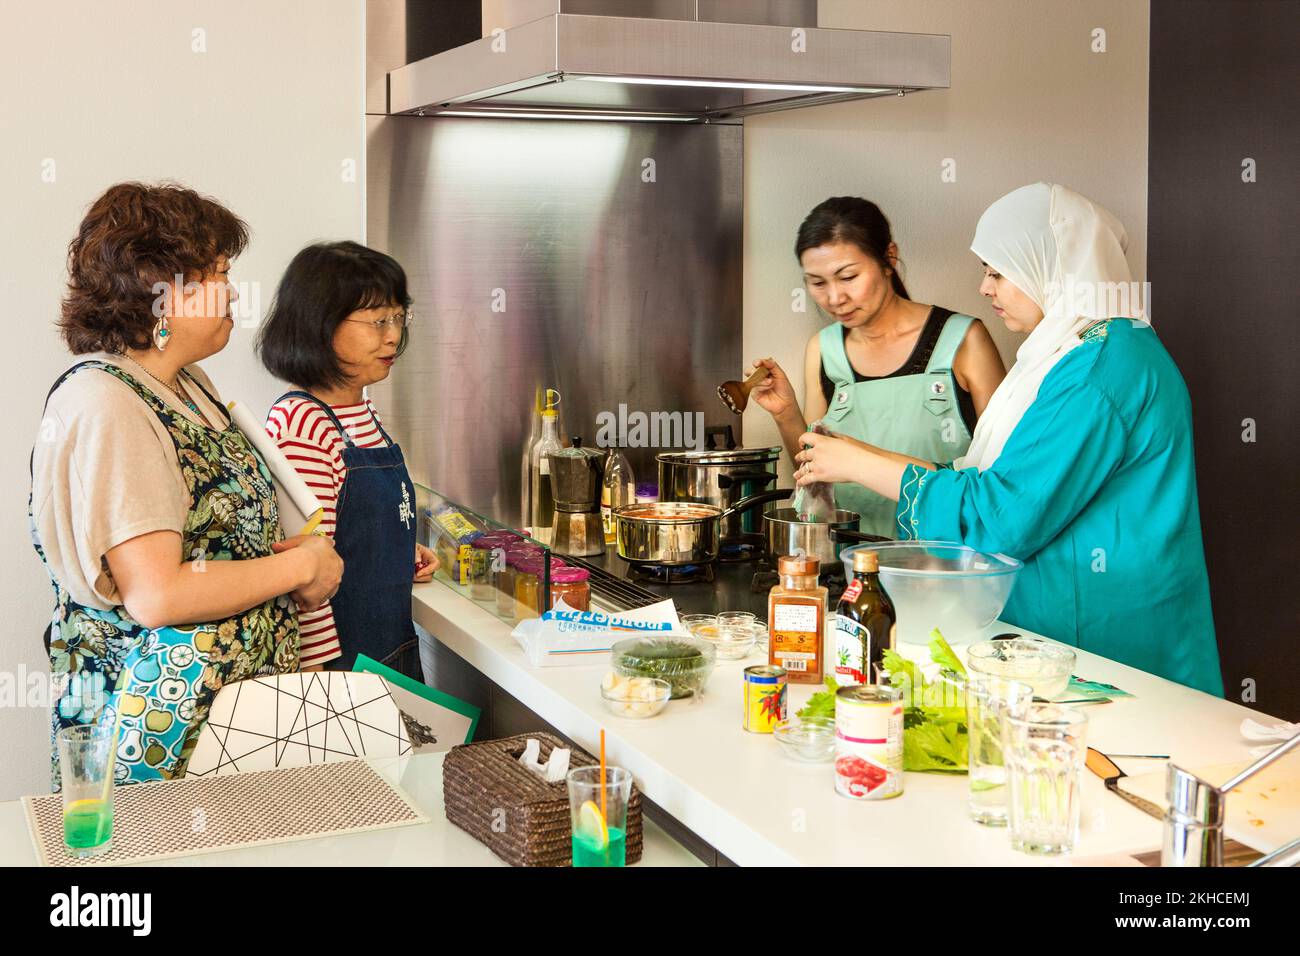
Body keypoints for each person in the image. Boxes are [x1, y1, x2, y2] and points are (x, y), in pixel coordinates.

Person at [793, 183, 1223, 695]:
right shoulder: (1077, 353)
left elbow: (1001, 516)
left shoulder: (1099, 370)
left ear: (1050, 266)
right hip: (1070, 631)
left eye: (998, 272)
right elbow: (993, 478)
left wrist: (862, 465)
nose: (985, 288)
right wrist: (855, 456)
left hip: (1111, 643)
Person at [31, 182, 343, 787]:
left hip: (227, 720)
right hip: (156, 729)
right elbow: (158, 594)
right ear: (160, 293)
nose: (233, 291)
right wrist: (302, 569)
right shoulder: (106, 402)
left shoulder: (189, 382)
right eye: (218, 274)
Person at [748, 197, 1005, 536]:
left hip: (943, 561)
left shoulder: (962, 340)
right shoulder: (824, 350)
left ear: (889, 258)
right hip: (847, 559)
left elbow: (1003, 473)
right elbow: (815, 470)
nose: (835, 297)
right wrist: (785, 414)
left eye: (848, 276)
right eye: (818, 282)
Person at [258, 241, 437, 672]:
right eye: (377, 321)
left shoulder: (360, 409)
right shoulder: (305, 424)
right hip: (344, 666)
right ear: (321, 325)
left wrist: (398, 550)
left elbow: (349, 536)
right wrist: (321, 689)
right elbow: (306, 576)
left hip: (391, 647)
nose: (393, 335)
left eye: (398, 317)